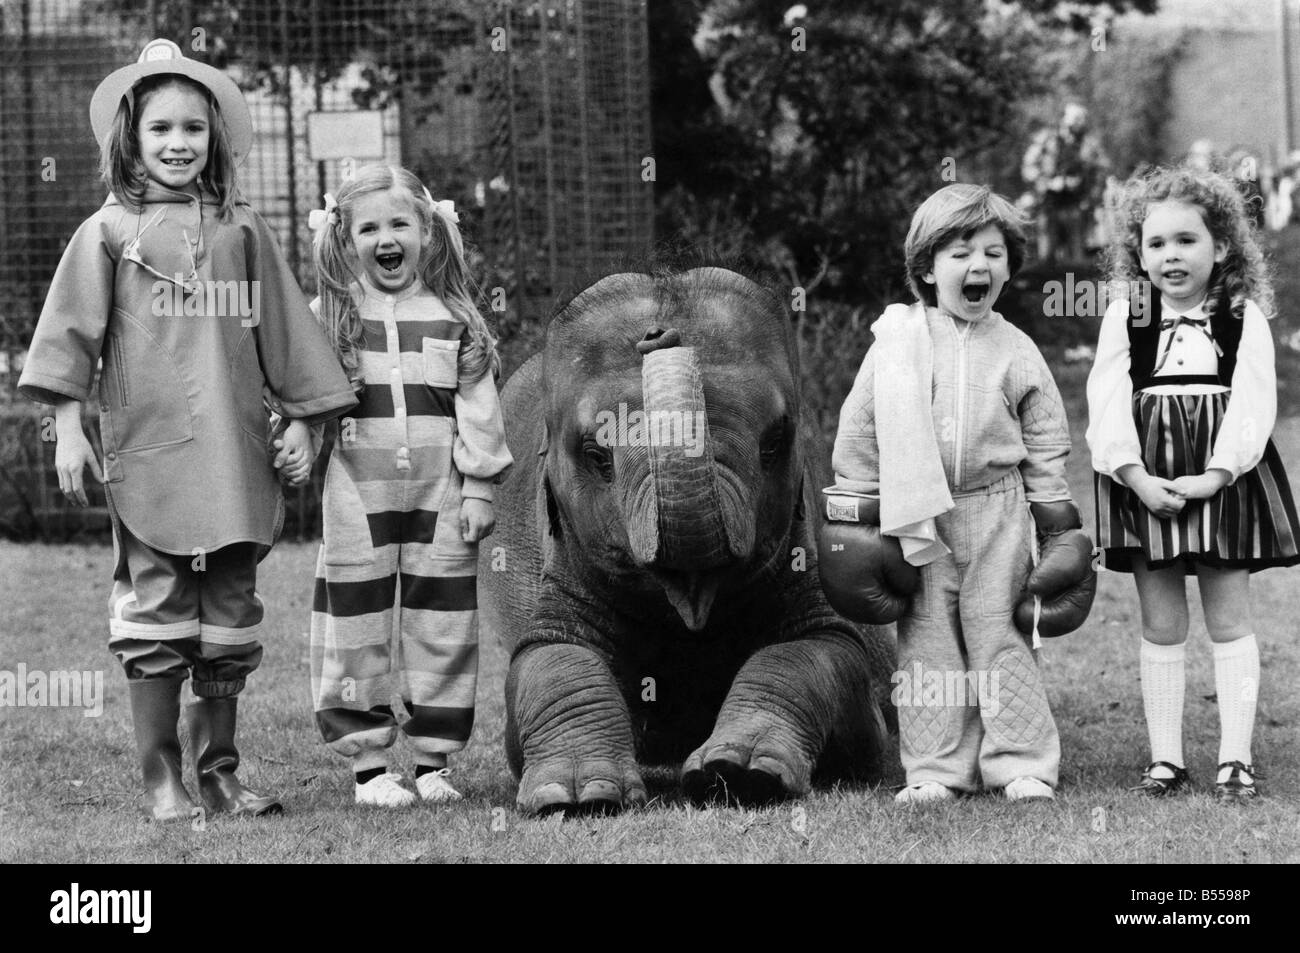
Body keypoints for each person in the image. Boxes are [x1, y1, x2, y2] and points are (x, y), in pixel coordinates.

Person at [17, 39, 357, 821]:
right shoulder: (106, 232)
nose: (179, 143)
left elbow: (286, 334)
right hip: (149, 454)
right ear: (130, 136)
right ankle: (162, 775)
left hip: (236, 455)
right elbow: (70, 335)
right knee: (157, 614)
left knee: (229, 616)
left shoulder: (243, 231)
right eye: (161, 128)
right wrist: (68, 426)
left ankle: (221, 772)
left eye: (194, 129)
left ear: (215, 137)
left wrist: (307, 420)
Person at [823, 184, 1094, 804]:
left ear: (1008, 267)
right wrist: (855, 524)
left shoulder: (1017, 348)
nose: (980, 266)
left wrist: (1059, 528)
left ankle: (1021, 761)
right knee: (928, 644)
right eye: (961, 252)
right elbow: (860, 430)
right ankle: (936, 769)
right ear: (926, 267)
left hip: (997, 512)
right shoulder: (895, 344)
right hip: (919, 517)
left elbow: (1047, 439)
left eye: (994, 253)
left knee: (1002, 632)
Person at [1087, 166, 1300, 802]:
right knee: (1160, 620)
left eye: (1187, 240)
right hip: (1145, 480)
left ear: (1223, 247)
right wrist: (1134, 477)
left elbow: (1254, 407)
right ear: (1138, 253)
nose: (1171, 256)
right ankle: (1166, 759)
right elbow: (1106, 402)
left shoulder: (1241, 319)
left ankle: (1235, 758)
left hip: (1223, 481)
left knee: (1228, 617)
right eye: (1156, 244)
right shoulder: (1128, 316)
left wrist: (1215, 475)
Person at [307, 164, 513, 807]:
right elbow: (299, 391)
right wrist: (292, 434)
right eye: (369, 227)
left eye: (399, 223)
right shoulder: (328, 315)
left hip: (441, 498)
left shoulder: (454, 317)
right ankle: (369, 765)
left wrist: (479, 488)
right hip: (355, 498)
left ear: (427, 230)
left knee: (443, 626)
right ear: (345, 239)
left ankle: (432, 760)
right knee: (355, 629)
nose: (385, 237)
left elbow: (478, 406)